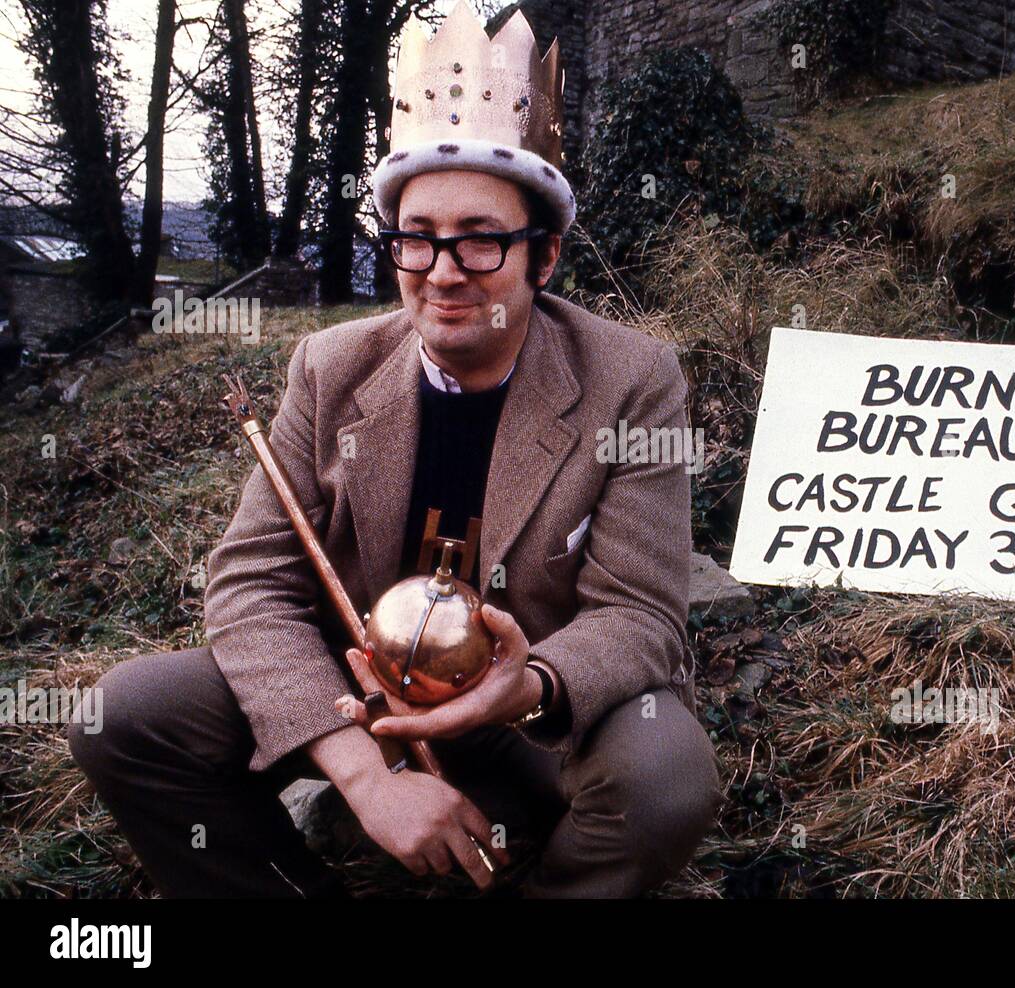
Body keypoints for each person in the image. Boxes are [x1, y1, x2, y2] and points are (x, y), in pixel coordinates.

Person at [67, 1, 721, 898]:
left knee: (665, 776)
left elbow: (643, 617)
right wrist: (368, 778)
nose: (443, 270)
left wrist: (527, 685)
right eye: (417, 237)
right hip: (359, 698)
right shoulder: (331, 366)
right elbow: (251, 585)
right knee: (124, 714)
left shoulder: (632, 379)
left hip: (532, 715)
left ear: (546, 255)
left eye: (482, 239)